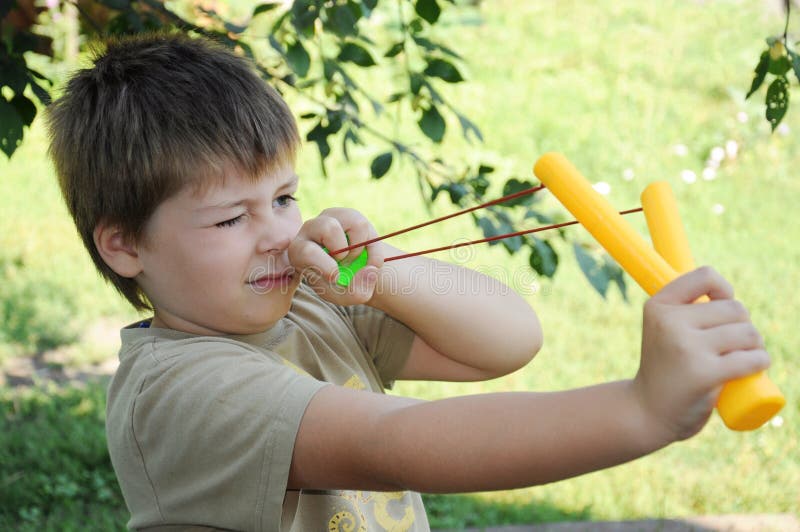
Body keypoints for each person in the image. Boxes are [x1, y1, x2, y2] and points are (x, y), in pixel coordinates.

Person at [45, 33, 770, 532]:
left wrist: (383, 276)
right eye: (231, 219)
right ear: (126, 244)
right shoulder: (182, 391)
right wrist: (642, 410)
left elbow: (508, 337)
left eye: (286, 199)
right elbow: (397, 441)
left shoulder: (304, 307)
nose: (277, 233)